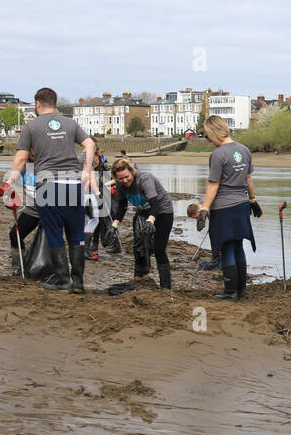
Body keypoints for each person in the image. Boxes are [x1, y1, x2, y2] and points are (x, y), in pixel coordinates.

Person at [4, 88, 97, 293]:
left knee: (55, 234)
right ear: (54, 103)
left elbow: (21, 159)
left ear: (37, 104)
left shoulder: (31, 126)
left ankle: (62, 281)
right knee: (76, 236)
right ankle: (79, 283)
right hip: (74, 186)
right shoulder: (70, 123)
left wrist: (9, 182)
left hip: (49, 186)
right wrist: (86, 170)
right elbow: (89, 144)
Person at [189, 115, 258, 300]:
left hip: (224, 207)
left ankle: (230, 291)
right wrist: (253, 200)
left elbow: (214, 185)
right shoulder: (244, 150)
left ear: (213, 131)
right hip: (242, 204)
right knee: (238, 246)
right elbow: (248, 179)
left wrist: (204, 208)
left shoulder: (218, 154)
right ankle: (241, 291)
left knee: (226, 247)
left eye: (207, 135)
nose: (207, 139)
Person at [109, 156, 175, 289]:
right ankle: (140, 279)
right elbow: (122, 206)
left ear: (131, 171)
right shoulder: (120, 184)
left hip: (162, 212)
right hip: (143, 212)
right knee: (139, 245)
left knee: (158, 249)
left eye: (127, 176)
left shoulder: (144, 179)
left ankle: (166, 287)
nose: (125, 180)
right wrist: (114, 225)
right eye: (120, 178)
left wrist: (151, 221)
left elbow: (154, 204)